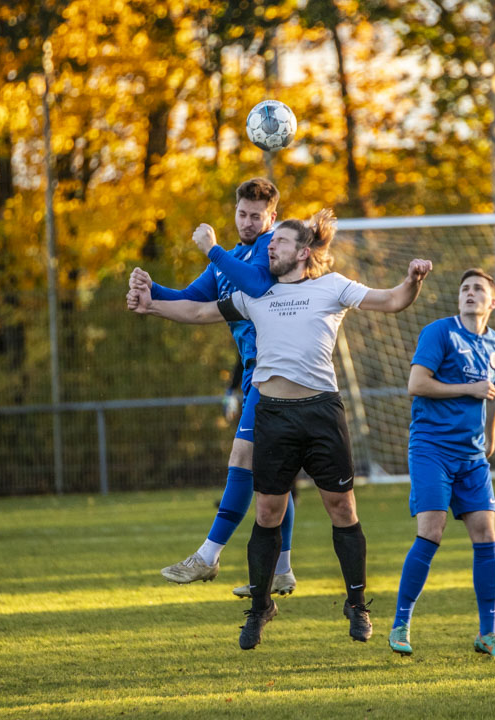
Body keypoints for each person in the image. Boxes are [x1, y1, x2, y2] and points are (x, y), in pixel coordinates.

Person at [128, 209, 433, 649]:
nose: (268, 247)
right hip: (272, 414)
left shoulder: (331, 287)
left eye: (279, 243)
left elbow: (391, 300)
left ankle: (357, 604)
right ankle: (259, 609)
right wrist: (151, 304)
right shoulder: (257, 294)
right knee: (267, 513)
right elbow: (197, 311)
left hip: (321, 414)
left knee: (342, 510)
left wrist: (414, 281)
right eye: (269, 244)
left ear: (303, 252)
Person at [137, 178, 298, 598]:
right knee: (271, 476)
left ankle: (208, 556)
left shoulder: (270, 249)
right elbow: (190, 298)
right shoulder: (225, 261)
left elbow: (259, 284)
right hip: (253, 375)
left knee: (242, 459)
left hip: (277, 373)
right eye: (242, 214)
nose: (247, 222)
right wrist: (150, 289)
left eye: (256, 216)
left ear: (272, 217)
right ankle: (281, 570)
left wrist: (212, 249)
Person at [387, 268, 495, 659]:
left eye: (478, 289)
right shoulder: (440, 332)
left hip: (472, 456)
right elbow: (417, 384)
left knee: (486, 537)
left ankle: (487, 634)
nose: (470, 294)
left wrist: (490, 437)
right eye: (464, 289)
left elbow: (494, 391)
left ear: (492, 302)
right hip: (431, 448)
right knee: (431, 532)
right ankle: (400, 625)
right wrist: (466, 389)